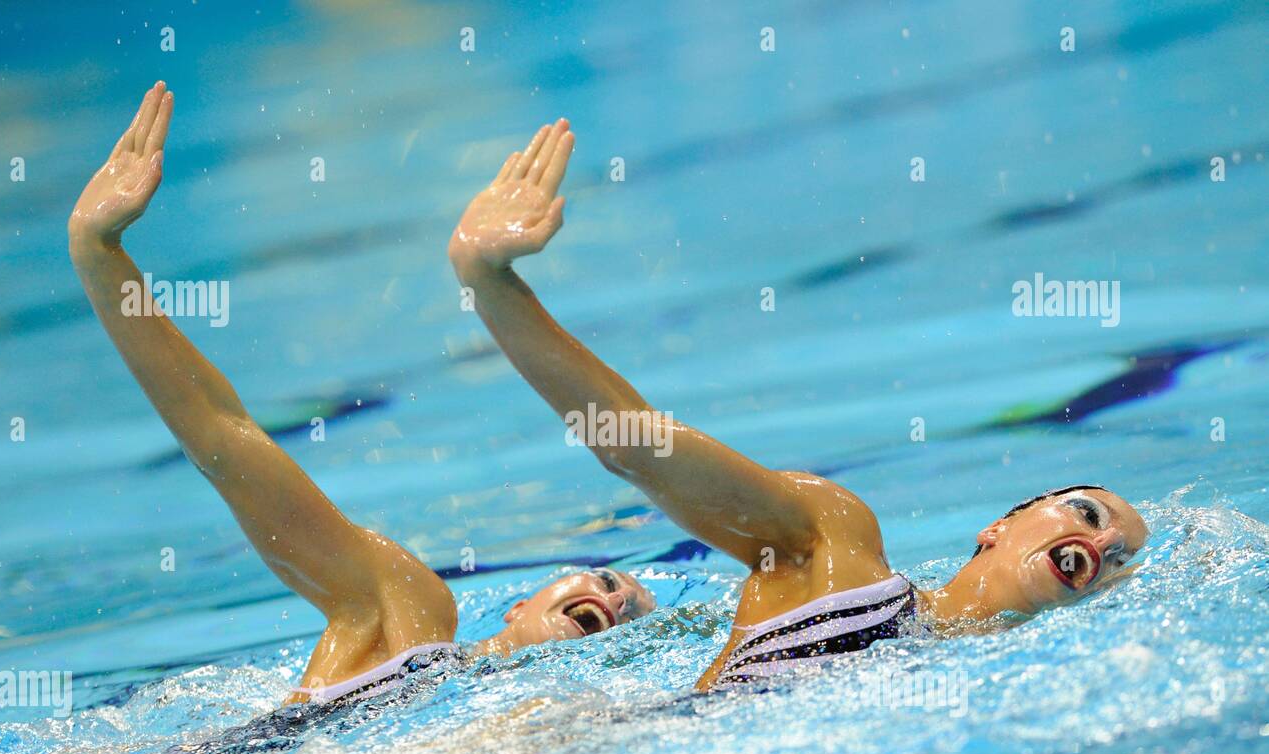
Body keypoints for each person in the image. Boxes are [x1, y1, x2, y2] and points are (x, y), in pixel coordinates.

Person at [447, 118, 1151, 692]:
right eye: (1089, 513)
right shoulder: (834, 540)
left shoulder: (998, 686)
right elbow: (633, 445)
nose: (1100, 545)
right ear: (1001, 525)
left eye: (1119, 558)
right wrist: (490, 283)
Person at [66, 84, 655, 712]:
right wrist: (99, 255)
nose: (616, 602)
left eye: (634, 616)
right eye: (610, 579)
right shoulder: (405, 615)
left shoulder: (567, 722)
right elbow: (223, 439)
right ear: (519, 604)